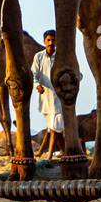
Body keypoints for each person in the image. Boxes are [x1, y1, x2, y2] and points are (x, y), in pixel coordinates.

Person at [32, 29, 68, 159]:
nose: (51, 42)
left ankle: (49, 157)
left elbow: (74, 73)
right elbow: (34, 75)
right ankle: (66, 153)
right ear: (44, 41)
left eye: (53, 40)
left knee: (54, 129)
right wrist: (37, 86)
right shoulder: (39, 57)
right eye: (48, 40)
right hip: (46, 99)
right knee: (53, 128)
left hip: (59, 99)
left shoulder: (62, 56)